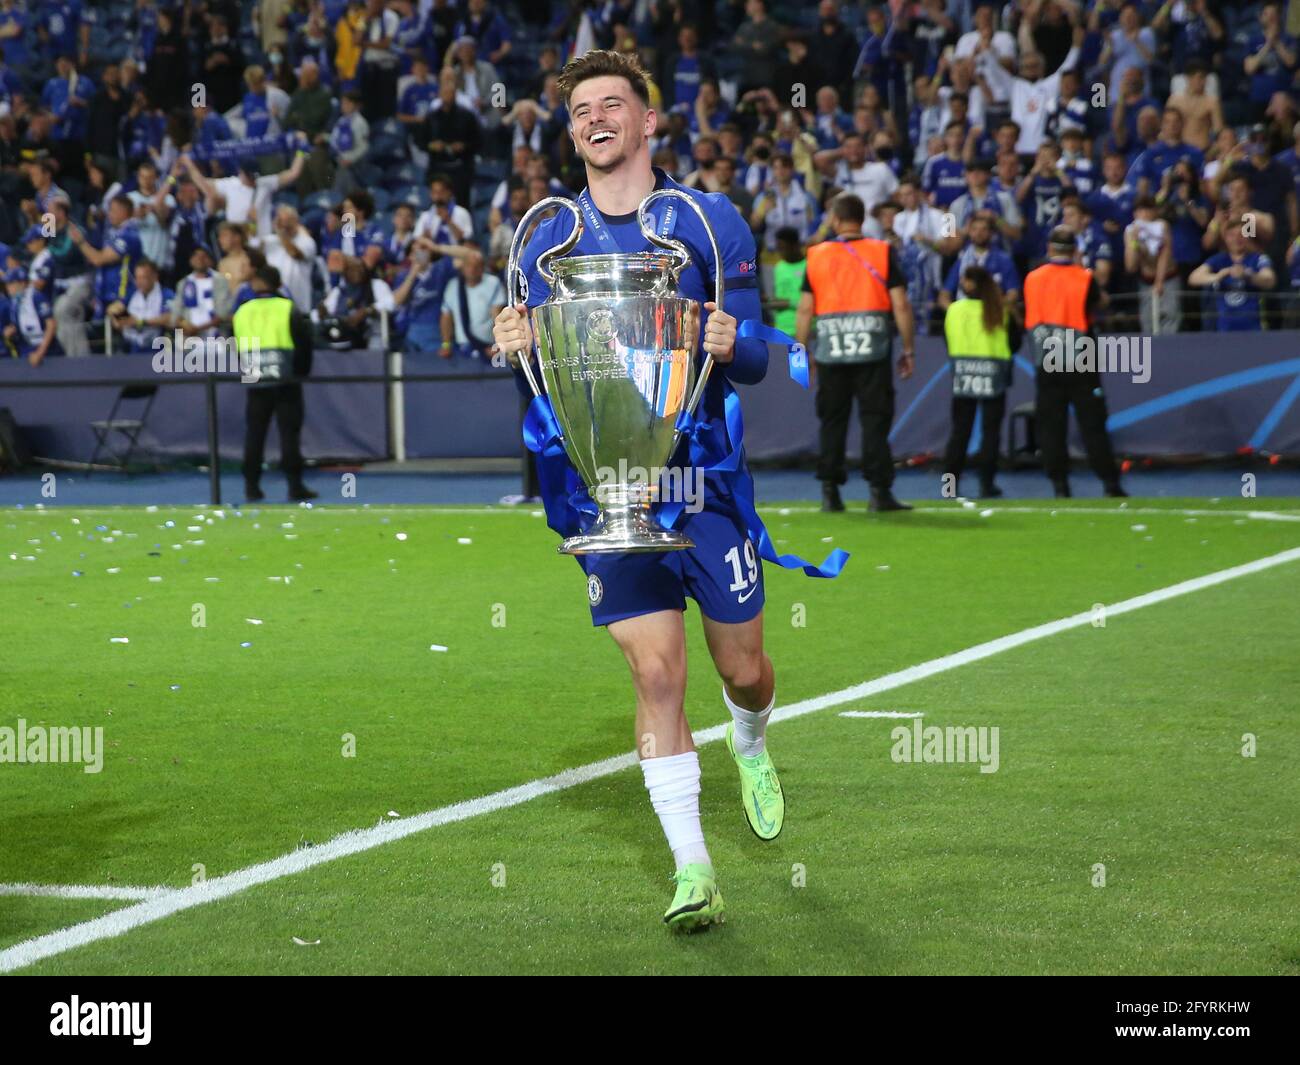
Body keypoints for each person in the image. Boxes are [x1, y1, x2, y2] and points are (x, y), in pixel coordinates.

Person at [492, 50, 837, 932]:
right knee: (656, 669)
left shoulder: (707, 221)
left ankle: (752, 741)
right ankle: (693, 867)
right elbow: (542, 379)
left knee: (743, 669)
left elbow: (758, 358)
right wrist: (509, 340)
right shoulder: (544, 239)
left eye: (613, 105)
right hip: (603, 486)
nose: (595, 120)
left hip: (700, 481)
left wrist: (733, 339)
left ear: (649, 122)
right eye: (579, 112)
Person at [795, 192, 916, 514]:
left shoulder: (816, 255)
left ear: (835, 219)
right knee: (875, 420)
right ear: (862, 219)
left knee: (833, 420)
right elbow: (901, 304)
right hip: (873, 350)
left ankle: (830, 492)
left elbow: (806, 309)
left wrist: (802, 350)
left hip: (830, 350)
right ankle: (879, 492)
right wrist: (908, 348)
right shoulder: (882, 252)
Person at [1023, 225, 1125, 499]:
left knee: (1051, 424)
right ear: (1075, 250)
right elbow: (1099, 303)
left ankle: (1059, 485)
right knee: (1092, 422)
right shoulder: (1084, 278)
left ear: (1049, 248)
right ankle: (1110, 483)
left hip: (1047, 357)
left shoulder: (1032, 278)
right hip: (1080, 357)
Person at [232, 264, 316, 502]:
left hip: (256, 379)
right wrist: (301, 372)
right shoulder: (287, 308)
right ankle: (294, 486)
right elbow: (303, 344)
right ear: (278, 285)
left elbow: (237, 345)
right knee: (289, 434)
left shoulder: (242, 311)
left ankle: (251, 487)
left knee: (255, 435)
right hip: (286, 380)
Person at [942, 265, 1013, 500]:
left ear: (969, 283)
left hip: (964, 374)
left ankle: (949, 486)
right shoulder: (1000, 311)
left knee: (959, 433)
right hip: (994, 374)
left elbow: (947, 339)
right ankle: (987, 484)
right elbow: (1014, 341)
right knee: (990, 434)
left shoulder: (954, 309)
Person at [1188, 215, 1277, 331]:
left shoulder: (1258, 258)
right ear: (1225, 238)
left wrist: (1248, 276)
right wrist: (1218, 276)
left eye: (1241, 235)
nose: (1237, 239)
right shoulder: (1219, 260)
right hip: (1225, 330)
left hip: (1254, 328)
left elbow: (1270, 280)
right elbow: (1193, 278)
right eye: (1232, 235)